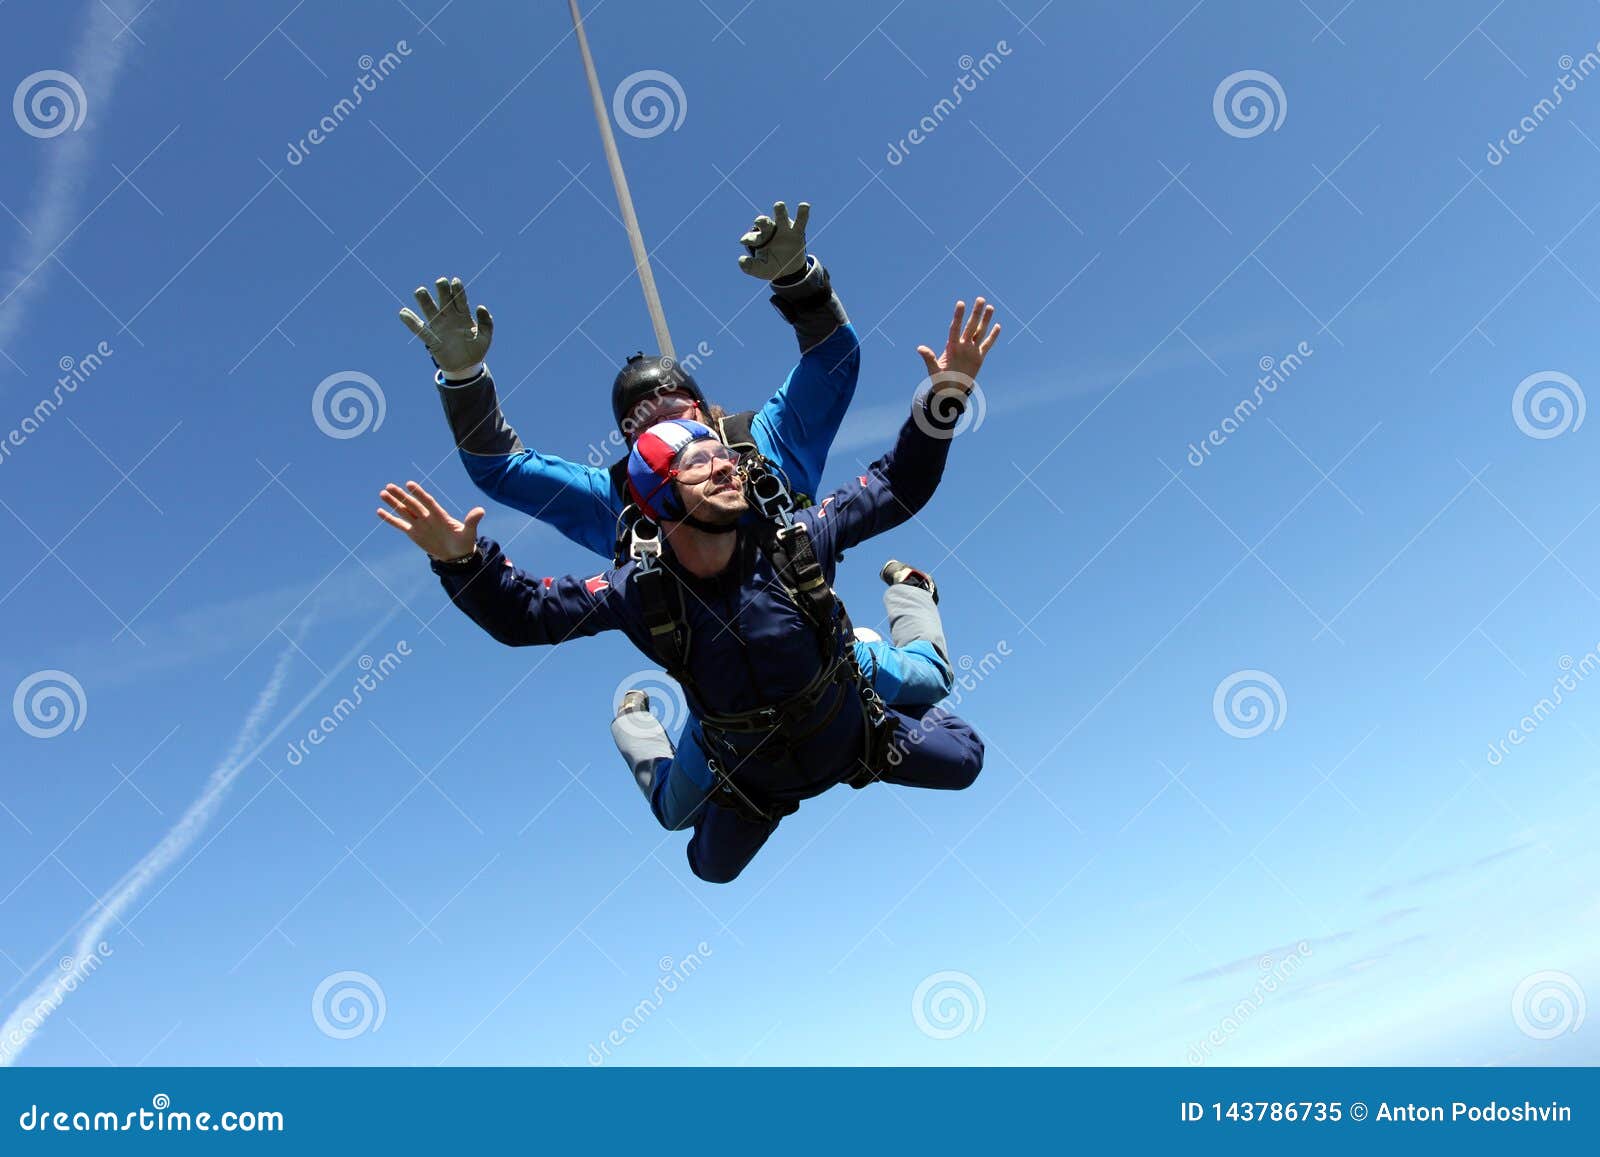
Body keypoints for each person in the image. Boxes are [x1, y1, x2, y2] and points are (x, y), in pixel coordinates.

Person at [378, 297, 1002, 883]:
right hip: (741, 745)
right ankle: (636, 728)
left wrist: (936, 387)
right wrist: (463, 557)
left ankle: (911, 595)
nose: (719, 464)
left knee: (943, 710)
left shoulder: (768, 466)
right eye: (664, 439)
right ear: (647, 484)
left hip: (834, 679)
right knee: (699, 850)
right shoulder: (632, 557)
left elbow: (893, 476)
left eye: (701, 432)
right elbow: (527, 606)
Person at [396, 201, 955, 715]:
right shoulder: (618, 498)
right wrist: (464, 378)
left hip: (816, 646)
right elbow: (500, 470)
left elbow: (832, 360)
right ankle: (636, 725)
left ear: (706, 412)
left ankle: (912, 594)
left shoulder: (759, 446)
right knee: (676, 807)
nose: (666, 433)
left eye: (675, 413)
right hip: (726, 695)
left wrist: (798, 280)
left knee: (927, 689)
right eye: (641, 428)